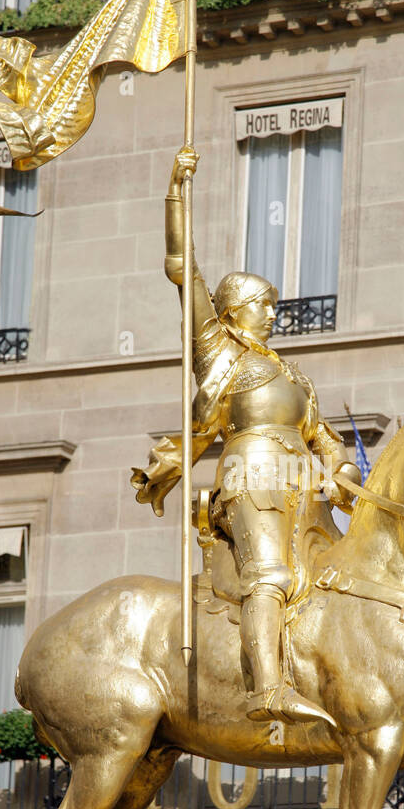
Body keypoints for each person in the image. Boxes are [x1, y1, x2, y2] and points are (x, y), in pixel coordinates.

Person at [132, 148, 361, 725]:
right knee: (271, 576)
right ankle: (267, 689)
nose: (273, 314)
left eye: (275, 305)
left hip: (303, 490)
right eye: (263, 304)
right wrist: (177, 194)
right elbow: (183, 268)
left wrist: (340, 472)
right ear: (233, 311)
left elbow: (325, 437)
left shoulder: (293, 374)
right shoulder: (218, 352)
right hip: (249, 481)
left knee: (343, 578)